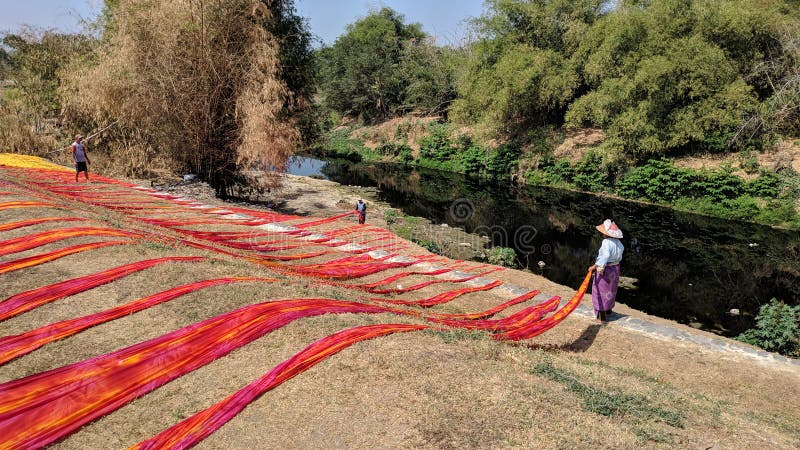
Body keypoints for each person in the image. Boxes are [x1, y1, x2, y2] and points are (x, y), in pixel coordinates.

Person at [588, 219, 624, 321]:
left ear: (606, 234)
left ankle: (601, 315)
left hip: (606, 269)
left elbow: (605, 256)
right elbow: (619, 257)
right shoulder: (619, 243)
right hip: (615, 269)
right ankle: (609, 310)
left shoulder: (606, 242)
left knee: (600, 290)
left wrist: (595, 266)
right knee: (611, 290)